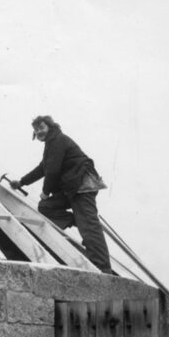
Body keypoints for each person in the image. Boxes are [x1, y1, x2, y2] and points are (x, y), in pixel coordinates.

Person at [9, 115, 112, 273]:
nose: (39, 132)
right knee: (46, 207)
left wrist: (45, 191)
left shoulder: (57, 140)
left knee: (90, 230)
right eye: (36, 130)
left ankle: (103, 270)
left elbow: (52, 171)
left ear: (50, 127)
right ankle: (81, 221)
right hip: (71, 188)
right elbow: (43, 168)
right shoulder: (51, 144)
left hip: (82, 186)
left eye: (41, 128)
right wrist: (22, 182)